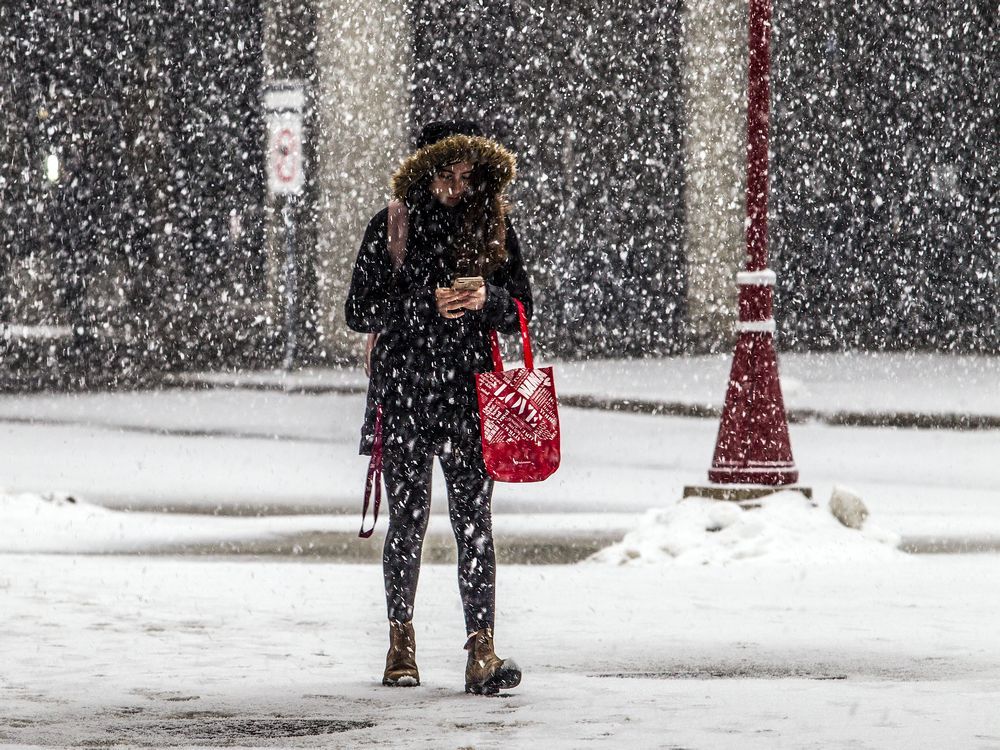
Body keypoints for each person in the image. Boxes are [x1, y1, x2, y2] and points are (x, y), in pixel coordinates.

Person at [345, 120, 532, 694]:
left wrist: (488, 298)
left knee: (475, 524)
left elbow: (522, 308)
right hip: (405, 395)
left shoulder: (493, 226)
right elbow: (359, 310)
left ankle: (482, 650)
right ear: (425, 173)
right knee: (408, 521)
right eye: (446, 176)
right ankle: (400, 643)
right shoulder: (392, 225)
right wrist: (425, 304)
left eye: (466, 176)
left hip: (470, 398)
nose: (456, 187)